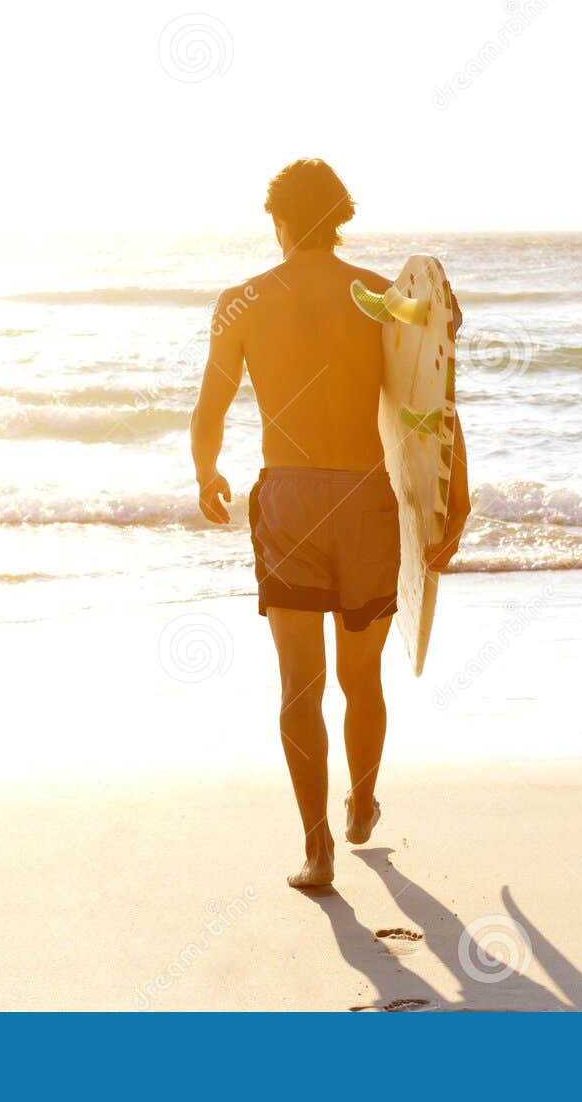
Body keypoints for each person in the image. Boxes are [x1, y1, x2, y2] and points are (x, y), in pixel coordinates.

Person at [190, 158, 470, 889]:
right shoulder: (383, 298)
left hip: (287, 501)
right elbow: (432, 395)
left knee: (298, 688)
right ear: (339, 217)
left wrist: (206, 474)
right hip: (366, 500)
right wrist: (453, 497)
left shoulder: (240, 302)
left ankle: (316, 851)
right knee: (362, 679)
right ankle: (364, 798)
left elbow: (210, 410)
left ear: (279, 222)